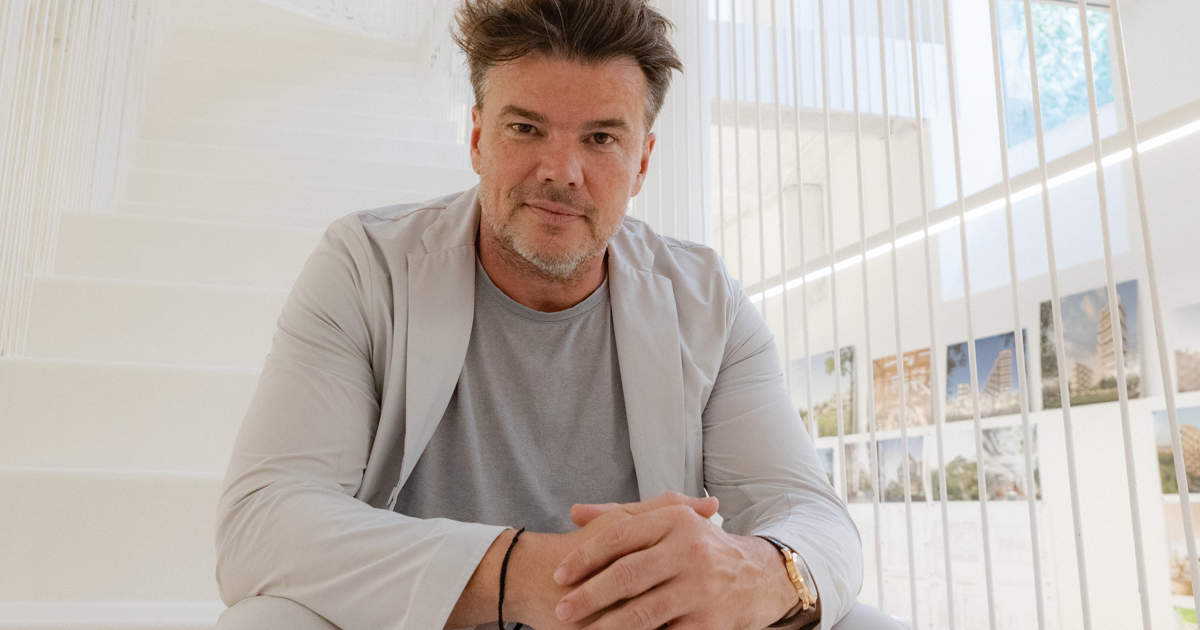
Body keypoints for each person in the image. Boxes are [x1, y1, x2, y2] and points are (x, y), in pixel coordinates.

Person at [214, 1, 897, 628]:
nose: (561, 170)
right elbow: (262, 523)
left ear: (642, 162)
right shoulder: (366, 266)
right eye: (525, 128)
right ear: (477, 138)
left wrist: (760, 572)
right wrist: (528, 573)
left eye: (600, 138)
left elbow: (812, 514)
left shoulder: (705, 299)